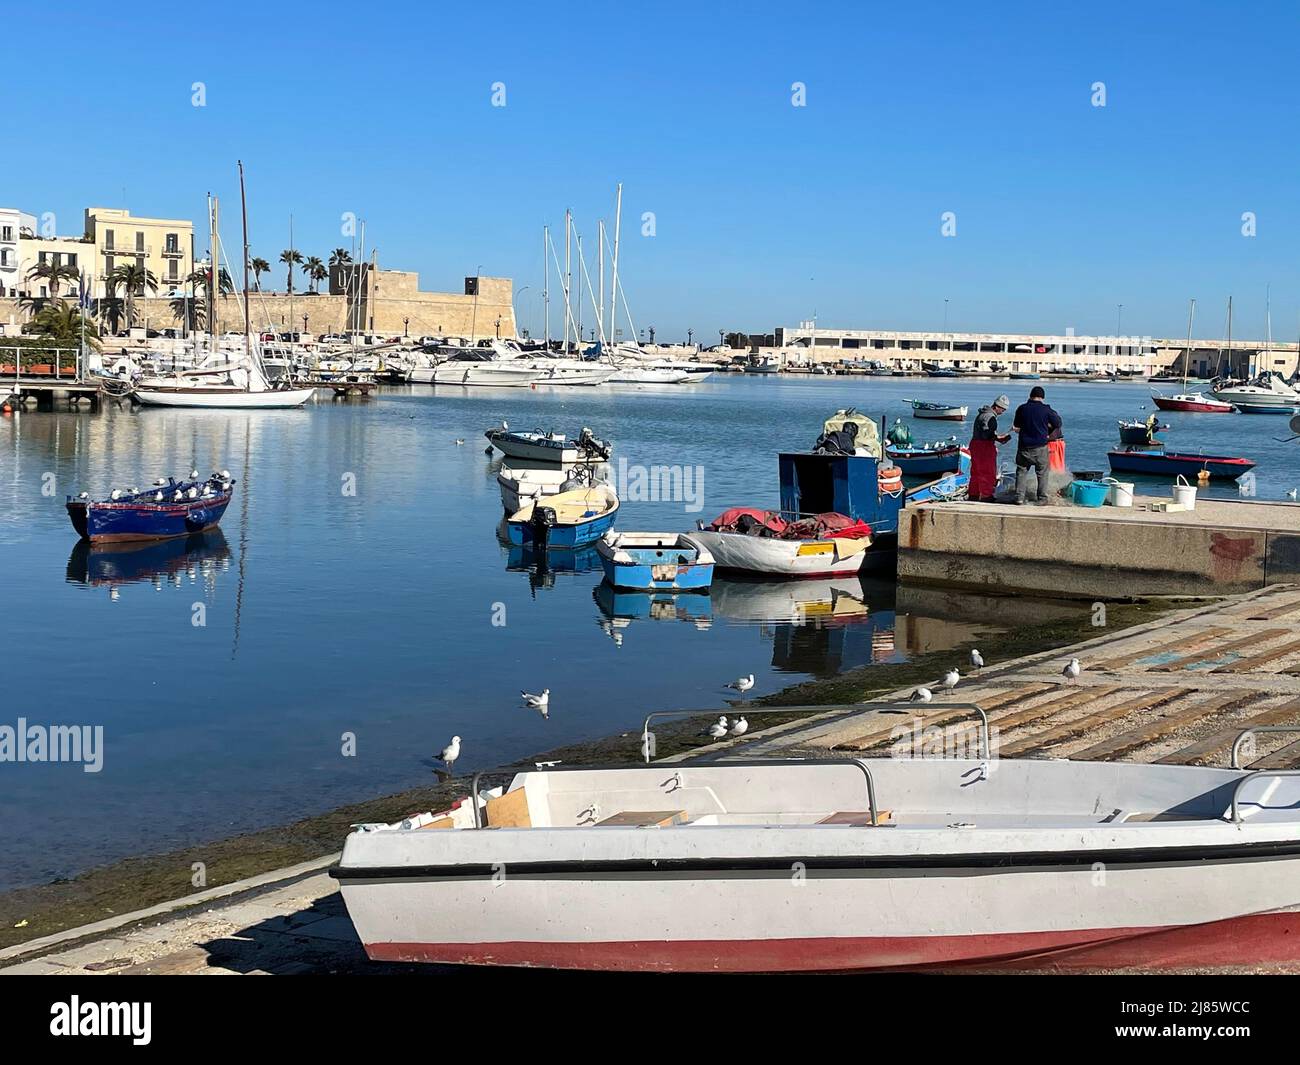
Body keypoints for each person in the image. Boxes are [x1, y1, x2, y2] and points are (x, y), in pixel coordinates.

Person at [1011, 386, 1062, 505]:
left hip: (1024, 447)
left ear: (1030, 395)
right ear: (1042, 397)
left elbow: (1016, 424)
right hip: (1040, 447)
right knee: (1042, 473)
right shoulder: (1046, 410)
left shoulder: (1022, 408)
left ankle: (1019, 497)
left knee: (1021, 472)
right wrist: (1047, 426)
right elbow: (1058, 423)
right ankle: (1042, 498)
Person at [968, 394, 1011, 502]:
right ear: (997, 407)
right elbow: (987, 434)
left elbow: (985, 432)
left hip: (976, 444)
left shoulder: (983, 414)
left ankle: (973, 494)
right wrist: (999, 438)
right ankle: (986, 496)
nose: (1003, 412)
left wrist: (996, 437)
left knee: (976, 472)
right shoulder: (989, 417)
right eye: (1003, 410)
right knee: (987, 472)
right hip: (984, 447)